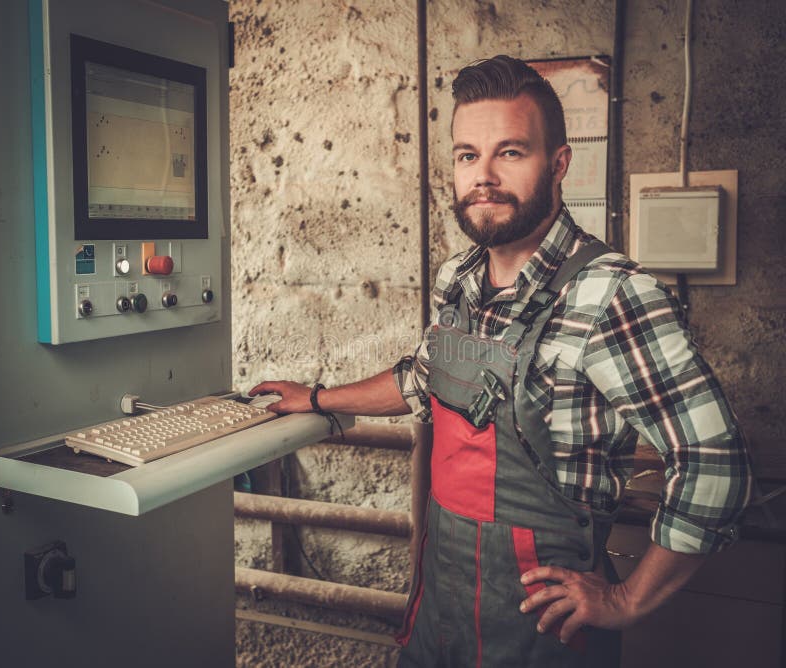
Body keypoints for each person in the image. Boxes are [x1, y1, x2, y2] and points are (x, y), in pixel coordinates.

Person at [249, 55, 752, 667]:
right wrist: (319, 399)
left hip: (540, 630)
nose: (482, 175)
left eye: (510, 152)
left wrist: (627, 599)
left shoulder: (609, 294)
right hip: (442, 602)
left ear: (559, 163)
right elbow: (424, 376)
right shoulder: (459, 278)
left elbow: (714, 463)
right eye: (467, 155)